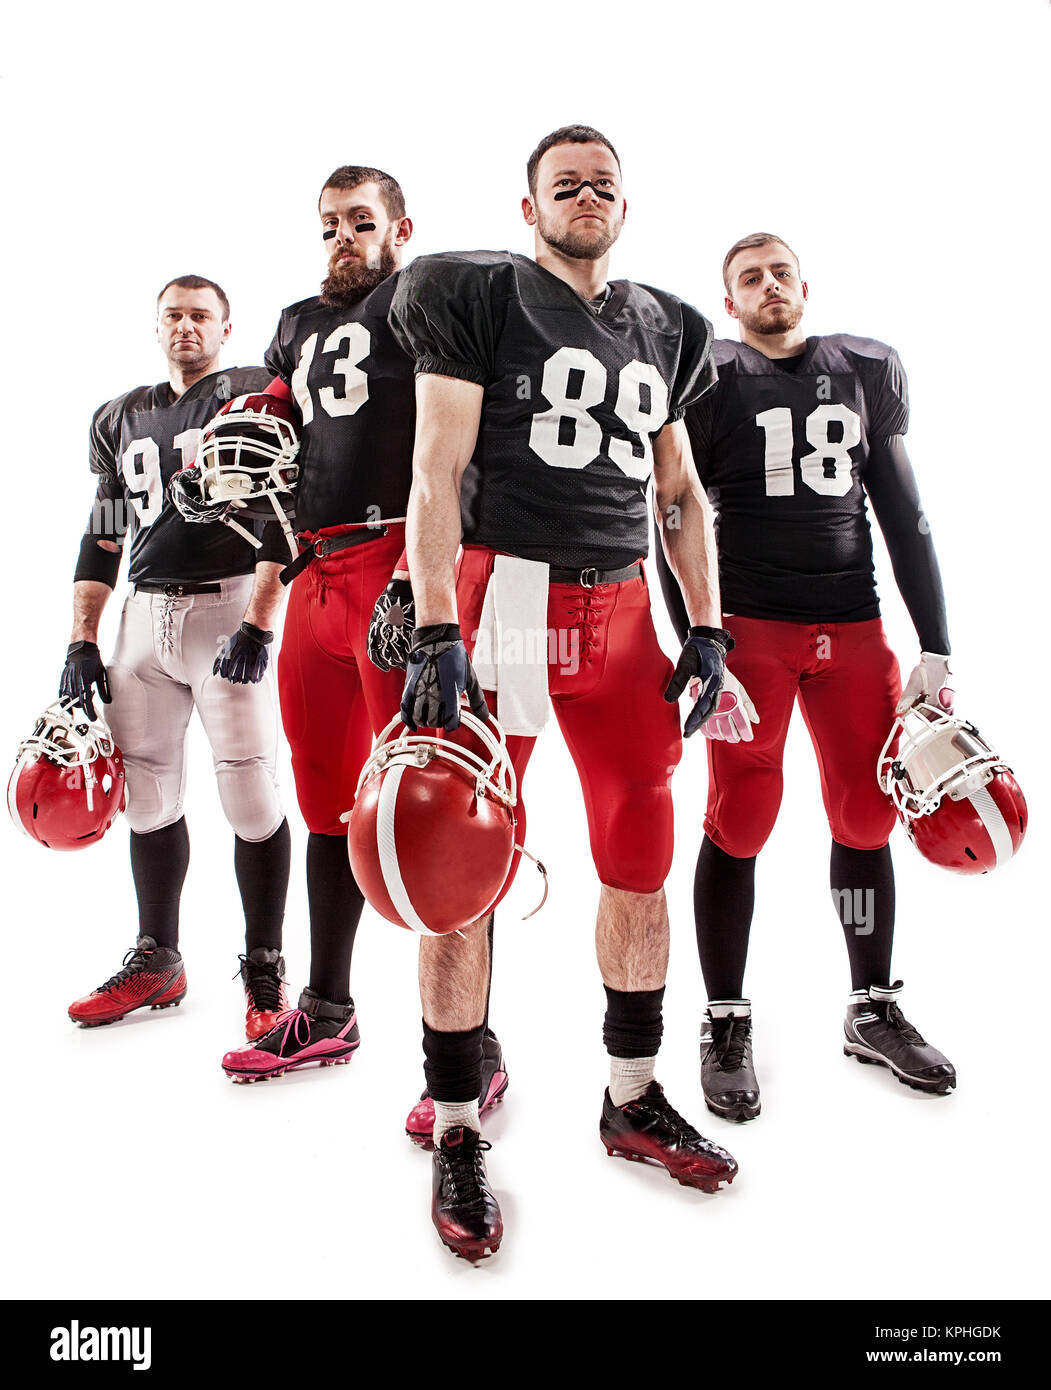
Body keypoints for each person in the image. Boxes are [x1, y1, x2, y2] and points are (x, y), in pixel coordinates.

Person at [390, 124, 739, 1262]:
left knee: (641, 853)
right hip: (509, 598)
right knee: (457, 865)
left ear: (625, 209)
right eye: (563, 183)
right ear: (528, 205)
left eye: (603, 184)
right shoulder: (484, 296)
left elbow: (679, 493)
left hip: (625, 604)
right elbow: (433, 470)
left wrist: (711, 626)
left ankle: (630, 1094)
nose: (585, 196)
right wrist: (437, 619)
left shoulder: (669, 324)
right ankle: (454, 1121)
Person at [219, 167, 510, 1124]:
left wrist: (421, 582)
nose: (343, 238)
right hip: (317, 572)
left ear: (401, 227)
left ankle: (474, 1051)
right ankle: (329, 1009)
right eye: (330, 225)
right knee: (327, 807)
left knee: (436, 808)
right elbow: (270, 442)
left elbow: (465, 447)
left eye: (361, 222)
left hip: (401, 559)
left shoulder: (427, 298)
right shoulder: (297, 323)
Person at [655, 232, 957, 1123]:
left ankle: (872, 1007)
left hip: (853, 627)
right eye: (748, 277)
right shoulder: (708, 377)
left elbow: (904, 516)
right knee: (740, 818)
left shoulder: (862, 367)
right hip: (751, 630)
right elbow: (671, 515)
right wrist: (699, 644)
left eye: (780, 271)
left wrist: (935, 644)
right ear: (729, 304)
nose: (768, 286)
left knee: (866, 818)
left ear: (804, 285)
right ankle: (724, 1019)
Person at [62, 275, 292, 1039]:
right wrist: (80, 639)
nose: (186, 326)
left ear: (226, 328)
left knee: (250, 795)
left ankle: (265, 970)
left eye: (201, 315)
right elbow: (102, 535)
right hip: (143, 613)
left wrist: (261, 621)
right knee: (146, 796)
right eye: (174, 315)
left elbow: (286, 510)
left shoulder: (253, 392)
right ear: (155, 327)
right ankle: (157, 957)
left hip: (227, 606)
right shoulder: (122, 415)